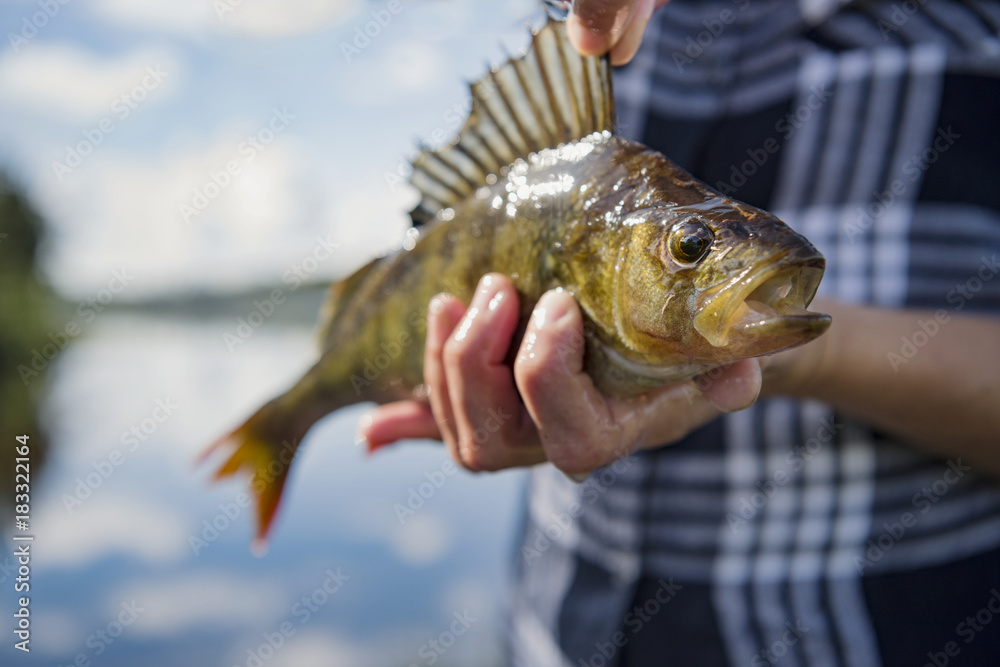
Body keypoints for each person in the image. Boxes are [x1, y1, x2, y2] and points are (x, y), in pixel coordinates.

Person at [360, 0, 1000, 664]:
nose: (703, 257)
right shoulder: (579, 27)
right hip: (548, 635)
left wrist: (811, 357)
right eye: (690, 246)